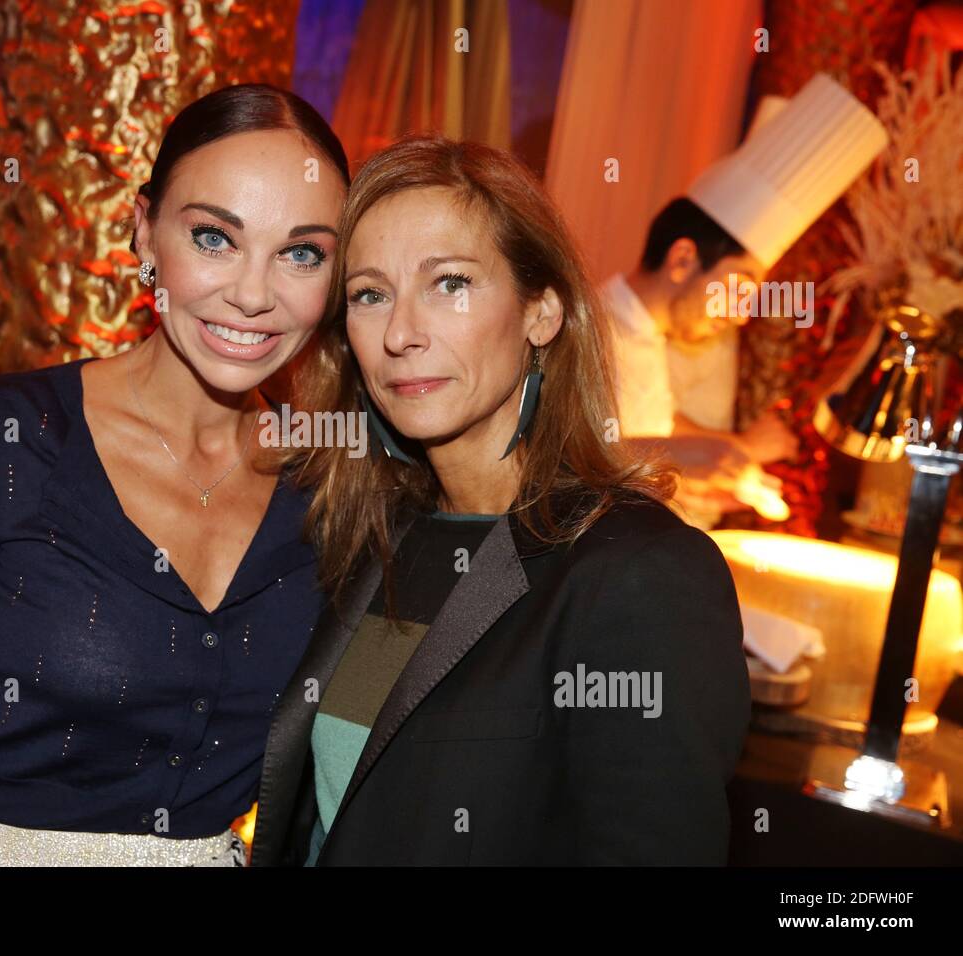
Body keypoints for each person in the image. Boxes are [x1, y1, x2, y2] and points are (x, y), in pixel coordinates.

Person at [0, 83, 349, 866]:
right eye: (213, 238)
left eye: (301, 253)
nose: (255, 294)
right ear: (143, 230)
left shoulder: (330, 484)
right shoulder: (7, 438)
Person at [250, 135, 751, 866]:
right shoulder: (371, 531)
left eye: (450, 283)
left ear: (541, 312)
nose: (400, 333)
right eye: (369, 294)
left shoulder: (638, 576)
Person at [602, 72, 888, 527]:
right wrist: (677, 456)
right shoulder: (585, 326)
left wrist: (716, 480)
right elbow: (539, 463)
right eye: (736, 287)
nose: (737, 312)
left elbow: (639, 436)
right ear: (682, 259)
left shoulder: (644, 336)